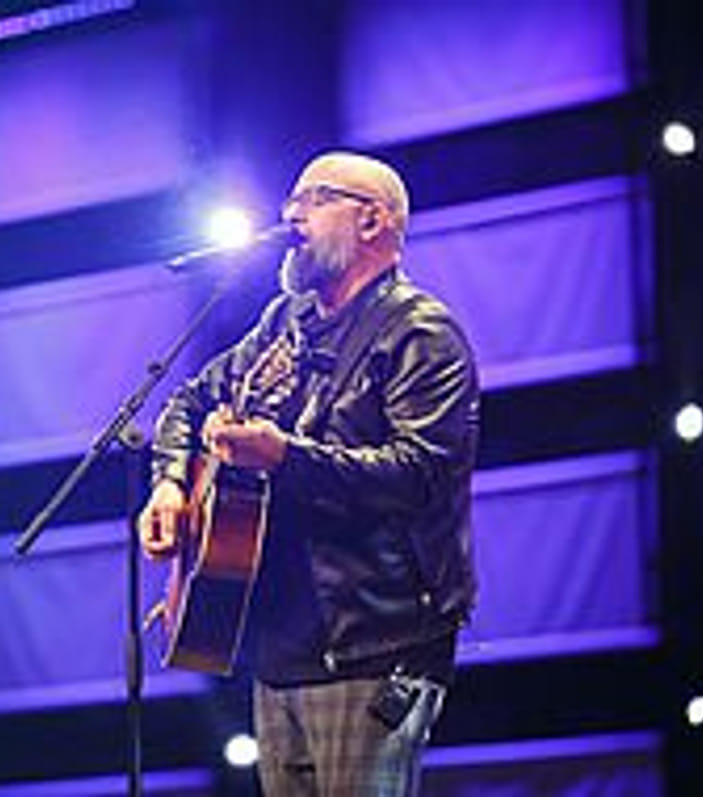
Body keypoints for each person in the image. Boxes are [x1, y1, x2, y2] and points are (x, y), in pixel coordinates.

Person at [137, 151, 479, 796]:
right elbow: (188, 401)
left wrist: (285, 458)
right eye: (290, 200)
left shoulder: (419, 333)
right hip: (279, 647)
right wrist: (171, 483)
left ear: (373, 220)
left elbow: (421, 474)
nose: (291, 214)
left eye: (315, 198)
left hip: (375, 644)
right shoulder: (282, 325)